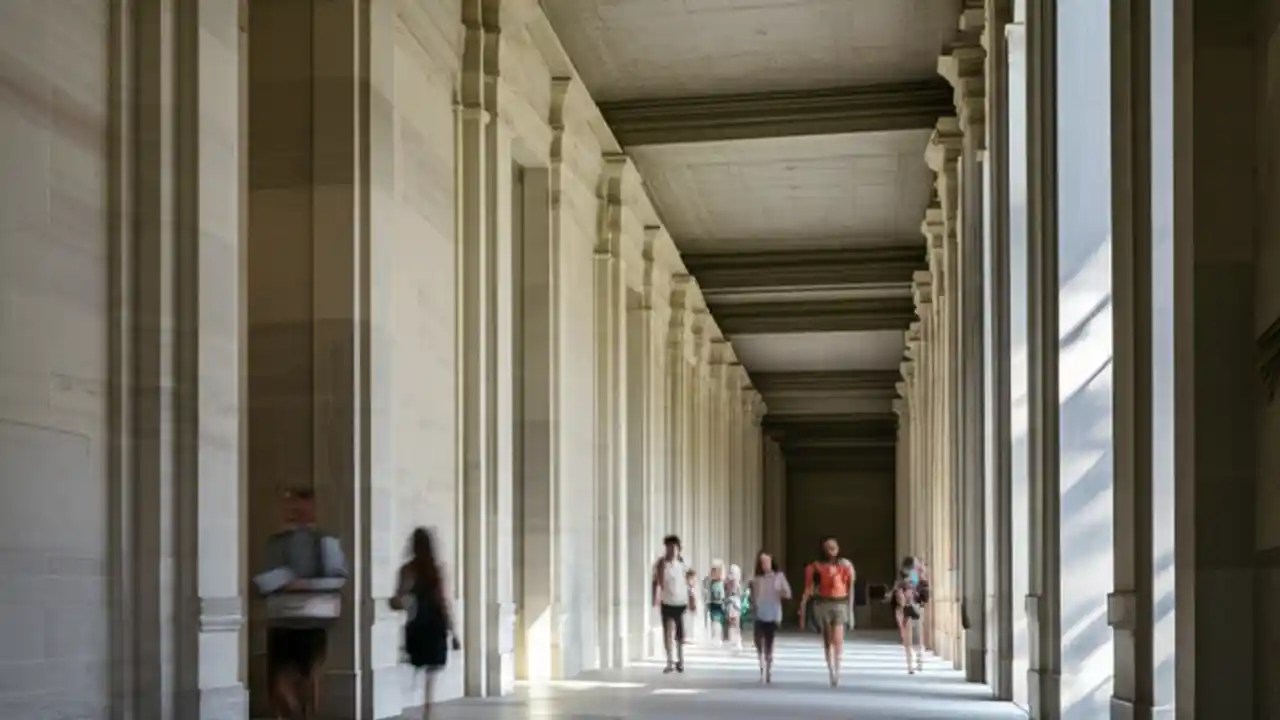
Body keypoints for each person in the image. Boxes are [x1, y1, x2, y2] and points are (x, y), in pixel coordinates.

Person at [256, 488, 348, 719]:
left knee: (308, 677)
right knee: (278, 682)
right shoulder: (275, 542)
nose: (293, 511)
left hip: (311, 618)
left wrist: (302, 584)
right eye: (289, 506)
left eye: (298, 506)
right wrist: (270, 583)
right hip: (281, 618)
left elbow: (338, 579)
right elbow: (265, 578)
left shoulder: (325, 542)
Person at [390, 528, 460, 719]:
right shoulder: (436, 570)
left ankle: (422, 705)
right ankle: (427, 708)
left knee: (419, 664)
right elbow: (443, 601)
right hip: (435, 622)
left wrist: (402, 601)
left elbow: (398, 598)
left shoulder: (408, 570)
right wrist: (453, 631)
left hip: (417, 622)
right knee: (431, 671)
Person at [798, 536, 856, 687]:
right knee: (828, 640)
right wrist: (802, 607)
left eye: (834, 547)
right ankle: (831, 670)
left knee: (838, 640)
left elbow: (851, 588)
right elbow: (808, 588)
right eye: (828, 548)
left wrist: (851, 611)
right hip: (824, 604)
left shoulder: (845, 566)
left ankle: (837, 670)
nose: (831, 550)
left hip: (840, 603)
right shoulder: (815, 567)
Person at [652, 535, 696, 673]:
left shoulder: (683, 565)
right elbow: (657, 581)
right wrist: (655, 597)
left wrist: (692, 597)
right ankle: (670, 661)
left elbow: (691, 581)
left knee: (680, 635)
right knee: (667, 633)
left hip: (680, 603)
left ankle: (680, 660)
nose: (671, 551)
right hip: (667, 602)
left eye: (674, 548)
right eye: (668, 548)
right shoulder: (661, 564)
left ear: (678, 549)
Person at [748, 551, 792, 683]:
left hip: (773, 613)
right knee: (758, 641)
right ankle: (762, 665)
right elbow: (752, 596)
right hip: (759, 613)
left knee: (769, 642)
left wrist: (781, 592)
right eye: (762, 562)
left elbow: (788, 593)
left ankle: (768, 668)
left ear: (772, 562)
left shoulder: (779, 577)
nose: (765, 565)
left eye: (767, 562)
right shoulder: (756, 579)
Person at [890, 557, 924, 674]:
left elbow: (897, 594)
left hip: (904, 609)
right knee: (914, 637)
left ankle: (911, 663)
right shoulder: (915, 578)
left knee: (907, 638)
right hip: (911, 608)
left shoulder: (903, 580)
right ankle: (916, 660)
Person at [703, 561, 729, 644]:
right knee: (714, 621)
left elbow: (725, 593)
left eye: (715, 570)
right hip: (713, 604)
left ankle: (719, 637)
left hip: (720, 604)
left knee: (718, 621)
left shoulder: (723, 583)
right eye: (712, 570)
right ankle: (715, 636)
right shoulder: (711, 583)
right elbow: (707, 591)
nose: (713, 572)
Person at [725, 564, 745, 652]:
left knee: (735, 624)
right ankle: (733, 641)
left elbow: (739, 594)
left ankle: (737, 641)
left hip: (735, 604)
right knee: (732, 624)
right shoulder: (729, 582)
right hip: (731, 604)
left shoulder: (736, 584)